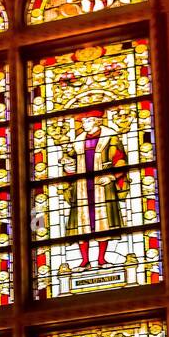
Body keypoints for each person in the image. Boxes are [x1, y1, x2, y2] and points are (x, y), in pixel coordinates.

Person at [61, 108, 129, 269]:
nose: (84, 124)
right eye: (83, 121)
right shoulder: (78, 141)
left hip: (103, 186)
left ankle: (101, 260)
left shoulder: (110, 138)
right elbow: (70, 161)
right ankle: (85, 261)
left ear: (97, 121)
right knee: (82, 223)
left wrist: (112, 176)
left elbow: (120, 160)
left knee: (102, 223)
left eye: (88, 120)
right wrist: (68, 166)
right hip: (82, 187)